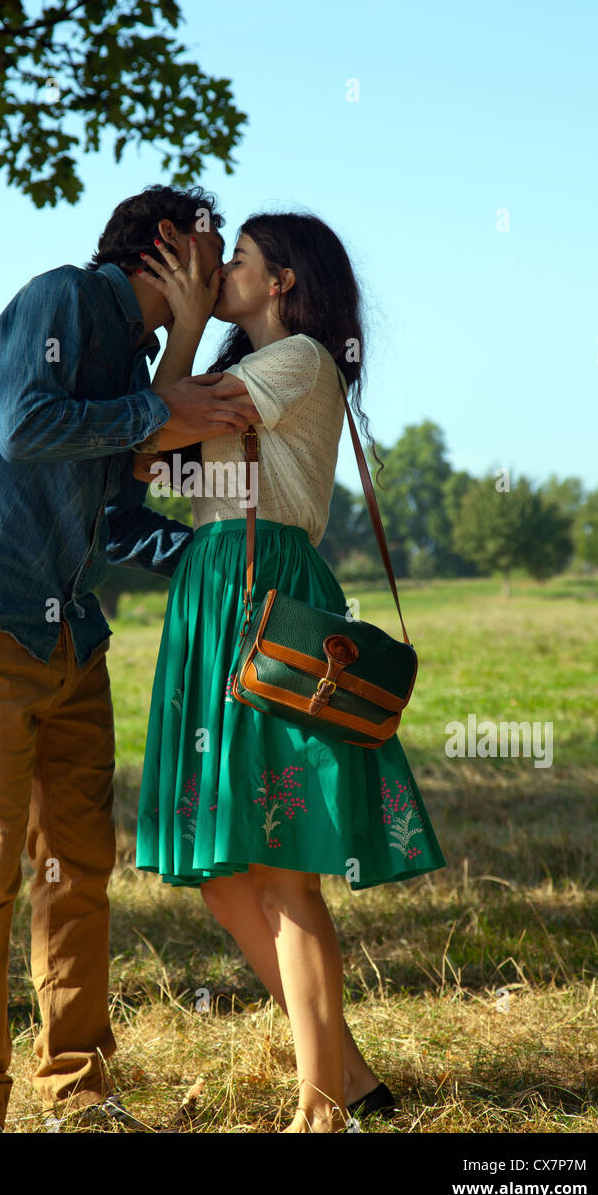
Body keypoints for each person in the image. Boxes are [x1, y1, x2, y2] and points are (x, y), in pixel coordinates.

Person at [0, 184, 259, 1134]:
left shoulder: (145, 361)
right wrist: (161, 397)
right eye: (214, 250)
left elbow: (118, 520)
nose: (225, 273)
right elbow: (26, 425)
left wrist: (224, 565)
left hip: (72, 644)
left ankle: (81, 1093)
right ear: (167, 245)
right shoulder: (62, 297)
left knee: (77, 869)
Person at [133, 211, 448, 1133]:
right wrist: (169, 406)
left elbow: (162, 419)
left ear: (280, 282)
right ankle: (353, 1084)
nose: (220, 267)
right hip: (210, 588)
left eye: (237, 259)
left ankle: (317, 1108)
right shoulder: (241, 375)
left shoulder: (302, 359)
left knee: (282, 873)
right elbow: (156, 458)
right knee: (228, 878)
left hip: (266, 590)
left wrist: (181, 333)